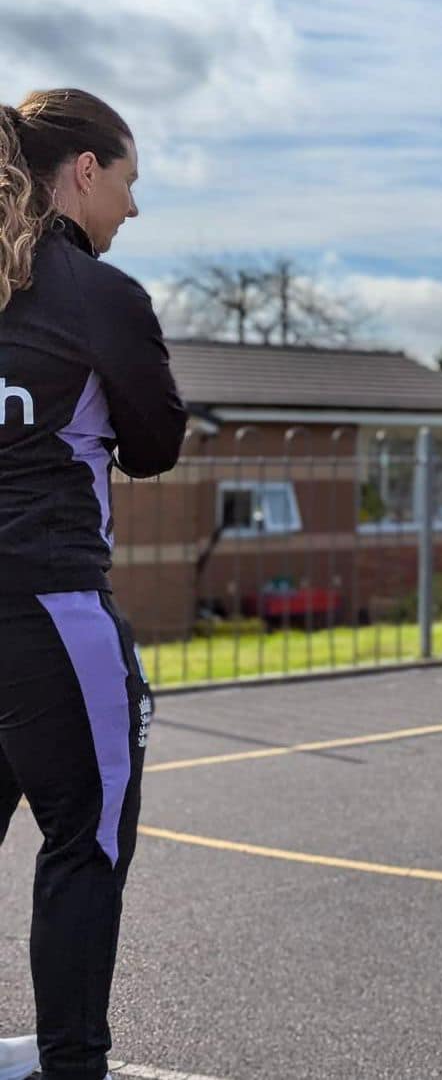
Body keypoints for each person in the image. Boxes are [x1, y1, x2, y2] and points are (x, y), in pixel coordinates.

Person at [0, 89, 187, 1080]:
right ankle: (75, 1066)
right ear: (83, 172)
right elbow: (155, 444)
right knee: (88, 839)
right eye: (127, 181)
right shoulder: (98, 294)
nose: (133, 206)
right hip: (50, 607)